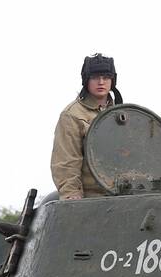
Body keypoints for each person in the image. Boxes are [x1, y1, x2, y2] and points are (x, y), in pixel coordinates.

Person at [50, 53, 122, 200]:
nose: (101, 82)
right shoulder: (72, 115)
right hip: (91, 196)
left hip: (124, 193)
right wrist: (72, 193)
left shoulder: (122, 114)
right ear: (86, 80)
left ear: (112, 80)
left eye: (106, 77)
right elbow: (66, 161)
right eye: (95, 77)